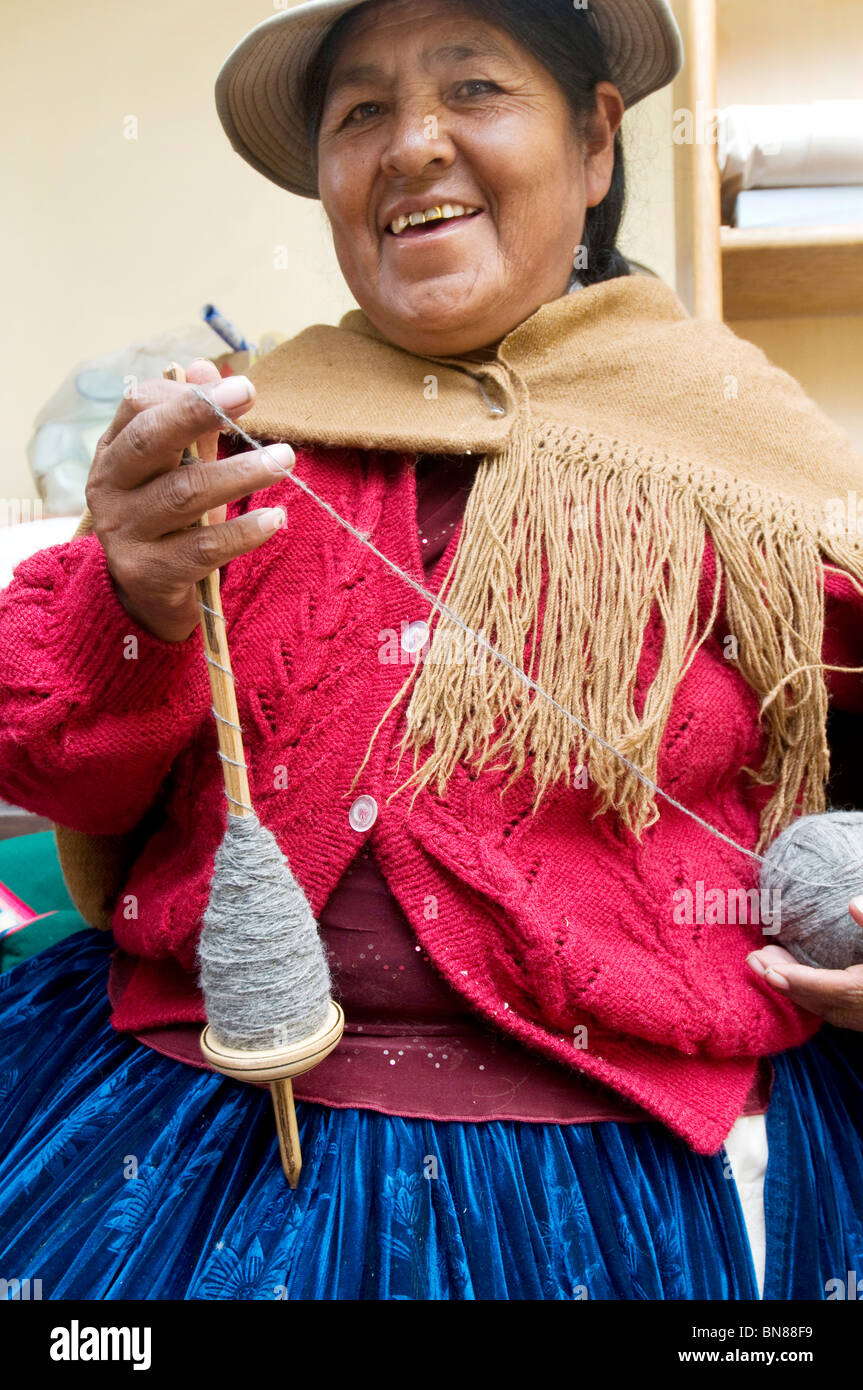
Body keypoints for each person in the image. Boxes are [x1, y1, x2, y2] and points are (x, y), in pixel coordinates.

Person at [1, 0, 862, 1302]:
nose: (413, 145)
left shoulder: (743, 453)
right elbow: (47, 754)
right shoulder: (231, 434)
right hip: (201, 1110)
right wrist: (129, 595)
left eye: (473, 89)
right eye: (362, 112)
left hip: (618, 1154)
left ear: (596, 144)